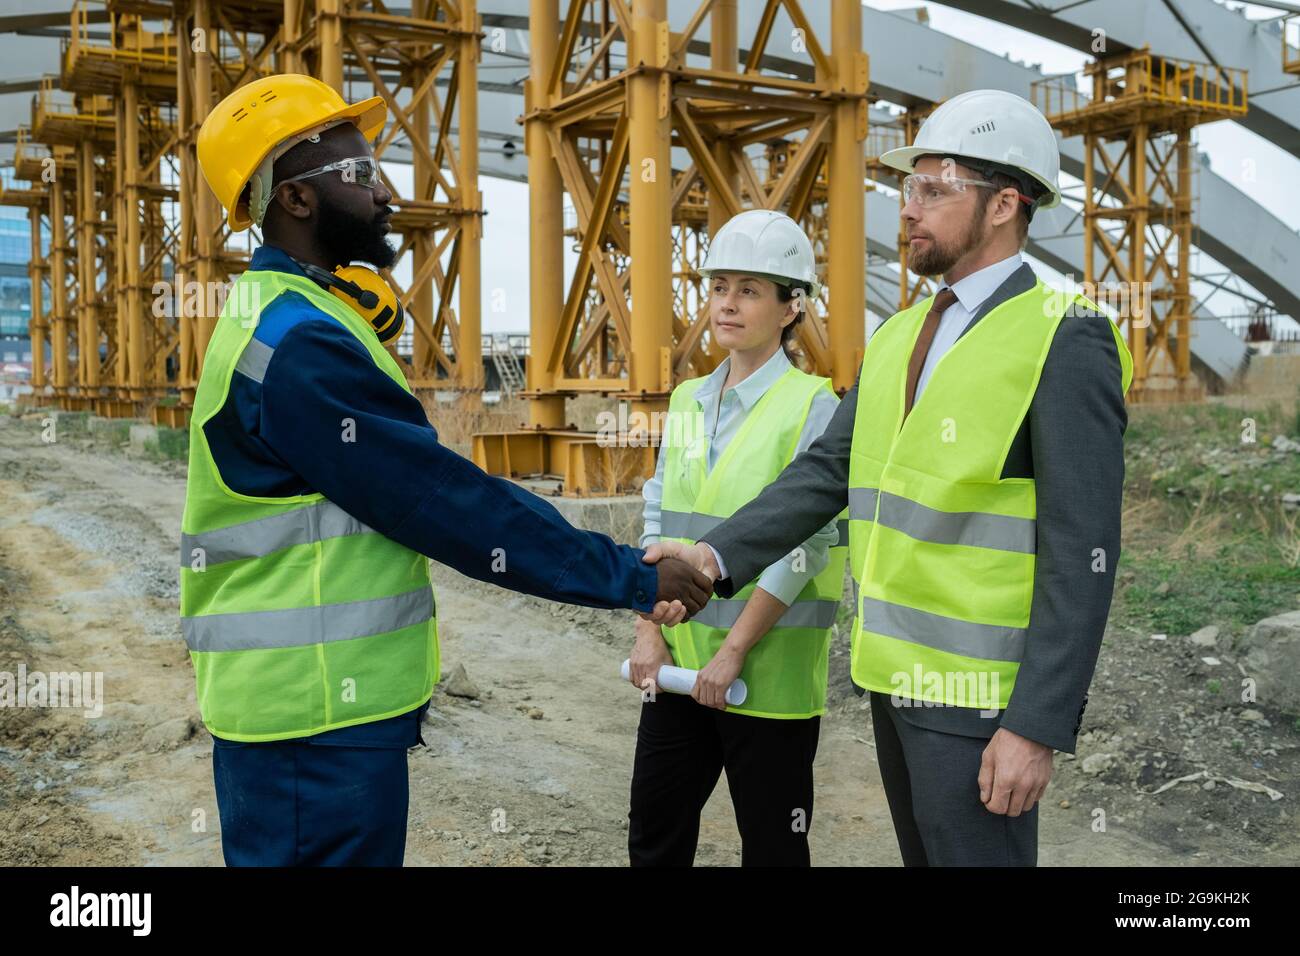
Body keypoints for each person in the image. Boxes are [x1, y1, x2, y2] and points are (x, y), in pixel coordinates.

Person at [183, 74, 711, 866]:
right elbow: (443, 501)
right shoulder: (300, 346)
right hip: (315, 722)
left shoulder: (288, 315)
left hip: (306, 711)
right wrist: (633, 578)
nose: (386, 195)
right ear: (294, 200)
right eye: (359, 175)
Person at [647, 89, 1133, 866]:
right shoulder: (903, 332)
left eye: (934, 190)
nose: (909, 210)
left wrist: (1036, 725)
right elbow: (827, 472)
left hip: (982, 697)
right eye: (908, 190)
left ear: (1005, 203)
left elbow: (1084, 549)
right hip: (893, 678)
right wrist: (715, 556)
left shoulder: (1065, 336)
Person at [625, 210, 846, 867]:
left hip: (765, 680)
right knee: (654, 834)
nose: (727, 303)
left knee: (774, 847)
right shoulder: (690, 398)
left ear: (790, 308)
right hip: (678, 663)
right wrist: (647, 629)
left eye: (750, 289)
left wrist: (735, 652)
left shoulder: (813, 407)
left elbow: (809, 542)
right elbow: (658, 513)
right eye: (720, 286)